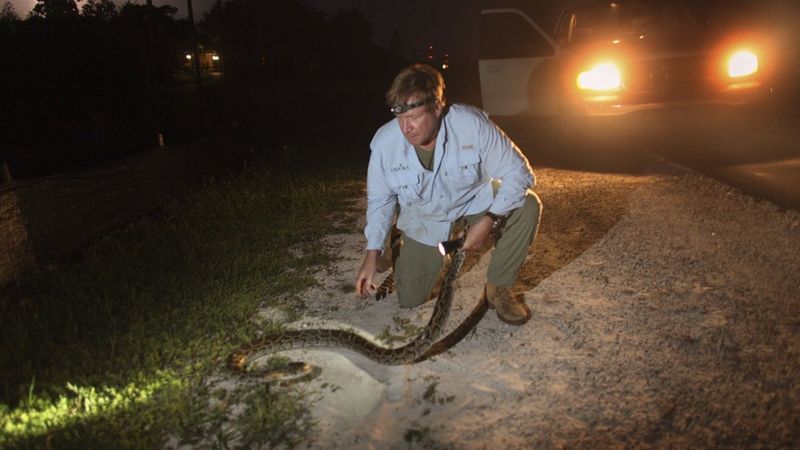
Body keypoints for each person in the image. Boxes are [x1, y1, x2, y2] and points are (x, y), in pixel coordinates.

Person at [354, 63, 542, 326]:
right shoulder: (386, 143)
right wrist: (372, 252)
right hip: (426, 216)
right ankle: (397, 247)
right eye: (400, 117)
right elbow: (380, 201)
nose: (406, 128)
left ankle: (498, 287)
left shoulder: (471, 125)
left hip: (474, 200)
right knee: (410, 299)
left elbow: (519, 173)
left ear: (437, 107)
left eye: (415, 117)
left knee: (527, 206)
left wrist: (489, 219)